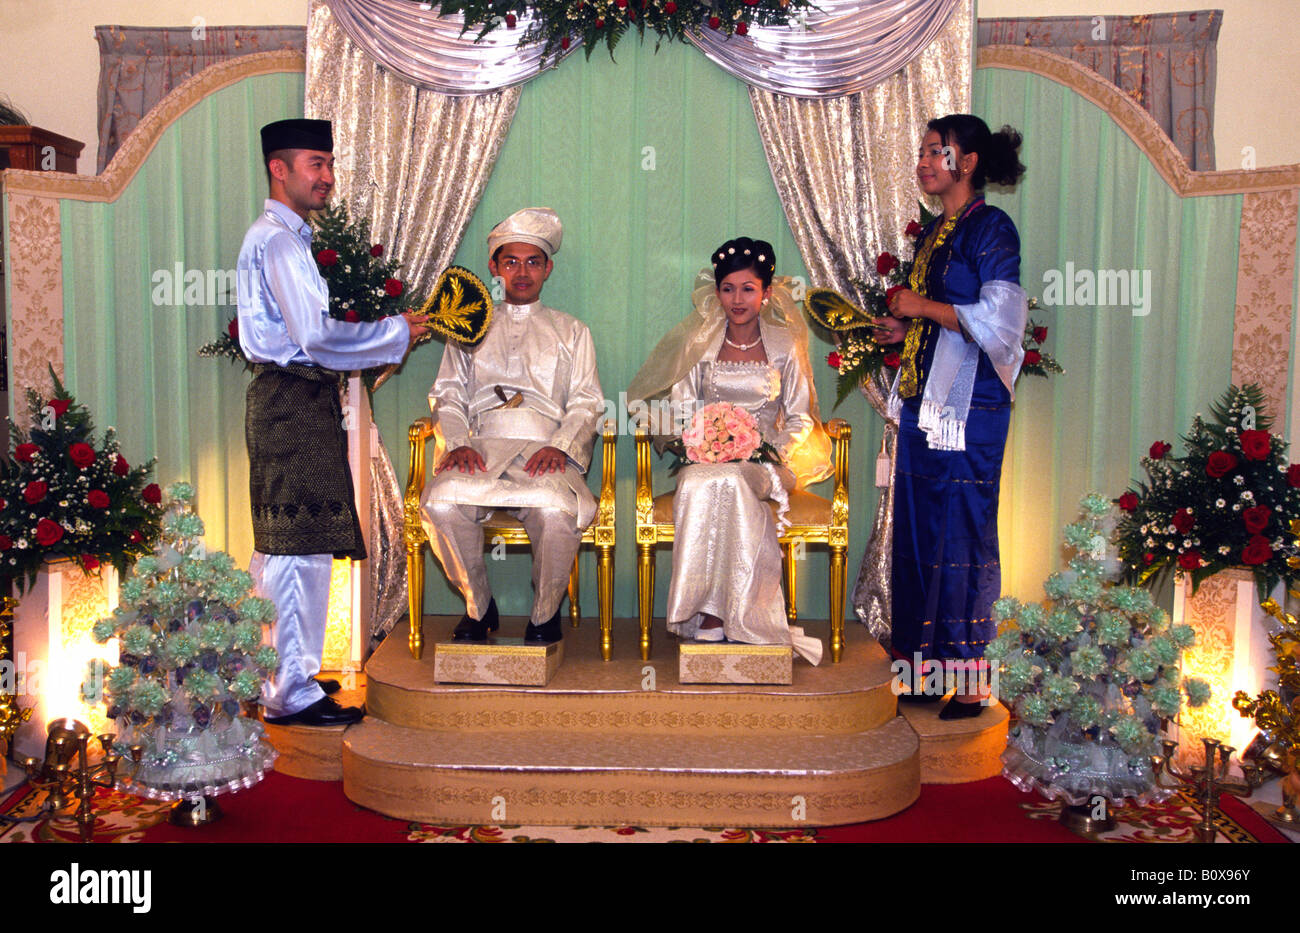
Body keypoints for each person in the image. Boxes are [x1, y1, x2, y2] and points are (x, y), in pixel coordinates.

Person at [238, 119, 432, 727]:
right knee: (296, 549)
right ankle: (289, 692)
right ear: (280, 168)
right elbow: (317, 338)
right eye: (315, 164)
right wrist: (397, 331)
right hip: (292, 399)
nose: (326, 177)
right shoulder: (279, 242)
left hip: (295, 400)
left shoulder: (283, 237)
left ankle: (288, 671)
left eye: (328, 165)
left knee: (300, 545)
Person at [871, 114, 1028, 719]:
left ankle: (968, 679)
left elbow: (1001, 322)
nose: (923, 161)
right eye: (922, 151)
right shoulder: (935, 231)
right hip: (923, 400)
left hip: (971, 406)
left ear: (966, 163)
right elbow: (941, 318)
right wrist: (904, 323)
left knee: (960, 530)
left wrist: (922, 305)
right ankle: (920, 671)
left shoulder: (992, 228)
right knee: (917, 531)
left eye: (936, 151)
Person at [628, 238, 831, 664]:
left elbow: (799, 419)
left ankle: (738, 612)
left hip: (769, 461)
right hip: (706, 457)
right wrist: (706, 439)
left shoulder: (784, 345)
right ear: (716, 293)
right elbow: (683, 410)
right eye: (728, 289)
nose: (736, 299)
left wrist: (760, 449)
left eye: (748, 289)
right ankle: (705, 606)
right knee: (706, 480)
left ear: (766, 293)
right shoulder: (701, 344)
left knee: (735, 480)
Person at [420, 208, 604, 644]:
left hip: (545, 450)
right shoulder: (468, 328)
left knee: (556, 511)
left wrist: (561, 445)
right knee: (441, 502)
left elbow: (587, 401)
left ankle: (544, 615)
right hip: (480, 447)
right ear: (494, 267)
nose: (522, 272)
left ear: (548, 268)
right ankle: (479, 607)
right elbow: (447, 394)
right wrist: (458, 442)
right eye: (511, 262)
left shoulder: (572, 331)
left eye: (533, 262)